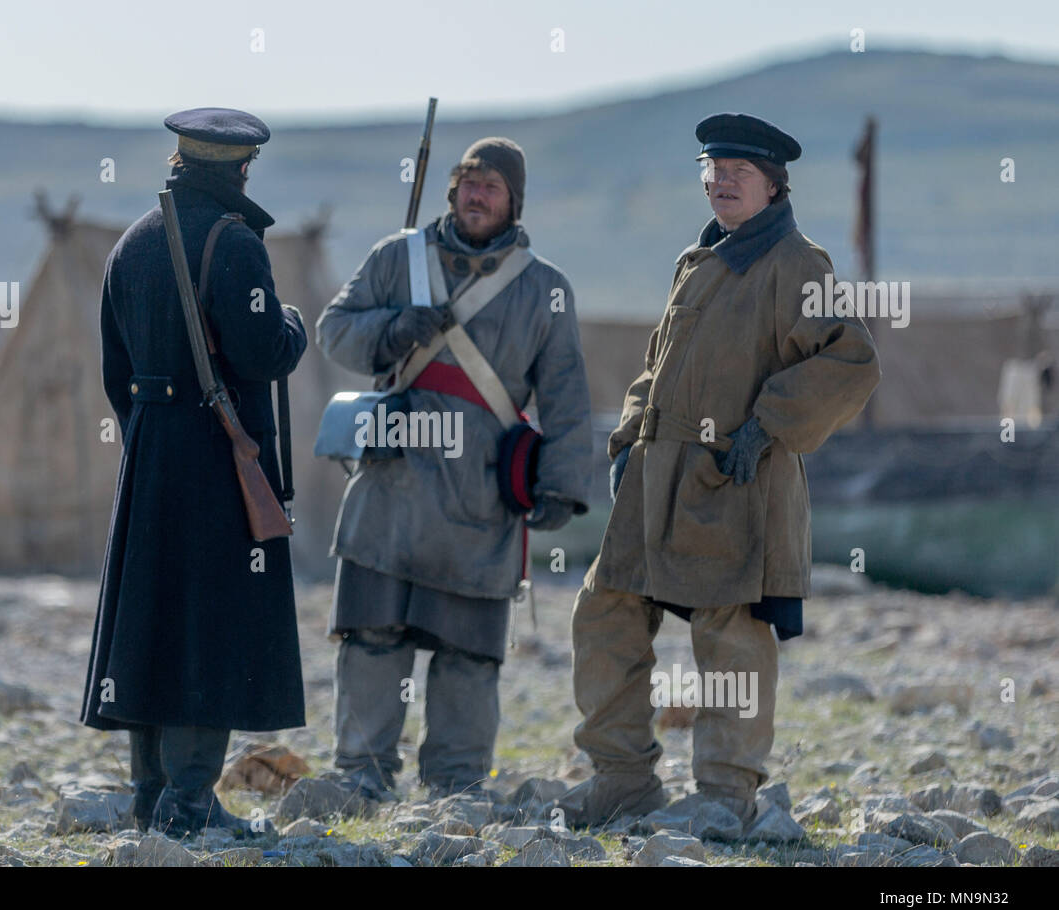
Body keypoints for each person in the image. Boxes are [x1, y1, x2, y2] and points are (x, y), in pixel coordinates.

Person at [556, 113, 881, 832]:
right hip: (654, 478)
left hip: (735, 480)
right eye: (713, 168)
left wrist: (769, 421)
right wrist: (626, 441)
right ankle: (623, 779)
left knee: (729, 632)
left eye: (739, 172)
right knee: (605, 613)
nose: (722, 180)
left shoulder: (797, 264)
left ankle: (726, 793)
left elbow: (851, 359)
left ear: (773, 186)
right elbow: (655, 368)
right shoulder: (697, 260)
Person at [316, 136, 593, 802]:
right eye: (468, 180)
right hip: (390, 485)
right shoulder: (396, 258)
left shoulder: (544, 289)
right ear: (451, 189)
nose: (476, 194)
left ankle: (457, 786)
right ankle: (362, 775)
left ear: (513, 201)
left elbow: (566, 397)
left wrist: (561, 484)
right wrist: (392, 327)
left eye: (491, 185)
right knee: (371, 635)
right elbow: (333, 331)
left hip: (479, 497)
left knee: (469, 653)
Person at [79, 108, 307, 838]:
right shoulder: (233, 243)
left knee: (151, 623)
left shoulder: (131, 243)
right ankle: (191, 800)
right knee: (212, 626)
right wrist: (293, 326)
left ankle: (152, 798)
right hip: (215, 458)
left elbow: (117, 374)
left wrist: (152, 433)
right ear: (240, 168)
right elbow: (264, 353)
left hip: (150, 455)